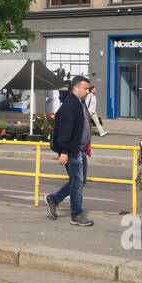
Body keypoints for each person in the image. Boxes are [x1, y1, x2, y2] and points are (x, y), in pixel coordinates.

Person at [43, 75, 94, 227]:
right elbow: (65, 131)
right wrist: (64, 151)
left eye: (88, 89)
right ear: (75, 88)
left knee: (79, 181)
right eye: (85, 89)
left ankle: (54, 199)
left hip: (80, 149)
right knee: (77, 182)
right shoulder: (70, 106)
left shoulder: (80, 103)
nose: (87, 92)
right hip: (72, 151)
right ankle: (76, 214)